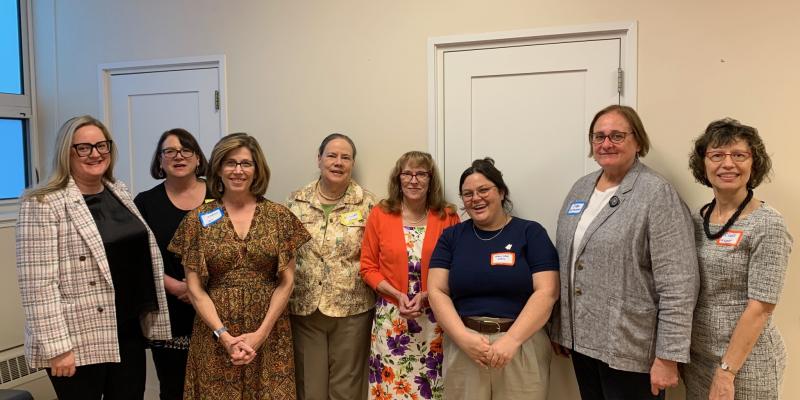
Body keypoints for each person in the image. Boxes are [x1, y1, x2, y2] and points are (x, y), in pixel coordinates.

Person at [16, 115, 171, 399]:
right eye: (83, 148)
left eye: (102, 145)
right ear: (67, 152)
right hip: (76, 338)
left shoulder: (119, 191)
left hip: (126, 329)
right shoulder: (42, 203)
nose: (96, 153)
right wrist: (58, 349)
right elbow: (38, 287)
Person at [549, 105, 699, 399]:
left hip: (632, 347)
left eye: (617, 136)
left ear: (638, 142)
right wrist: (561, 326)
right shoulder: (580, 189)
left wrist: (669, 355)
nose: (606, 144)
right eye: (599, 136)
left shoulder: (656, 193)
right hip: (583, 342)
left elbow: (679, 282)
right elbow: (567, 261)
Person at [168, 132, 310, 399]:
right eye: (230, 163)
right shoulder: (197, 220)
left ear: (257, 170)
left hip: (269, 335)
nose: (238, 170)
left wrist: (260, 334)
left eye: (246, 163)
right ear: (219, 168)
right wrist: (224, 336)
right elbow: (195, 288)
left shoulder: (279, 217)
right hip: (215, 336)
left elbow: (287, 281)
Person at [428, 158, 559, 400]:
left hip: (521, 345)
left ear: (501, 191)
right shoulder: (452, 237)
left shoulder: (531, 233)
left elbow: (547, 292)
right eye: (467, 194)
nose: (475, 198)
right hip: (464, 345)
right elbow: (436, 291)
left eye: (483, 190)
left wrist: (511, 340)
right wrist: (462, 337)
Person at [682, 118, 792, 400]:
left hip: (745, 364)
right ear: (704, 164)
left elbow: (761, 308)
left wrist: (726, 372)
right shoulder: (695, 219)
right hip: (697, 360)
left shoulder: (767, 224)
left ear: (753, 163)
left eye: (739, 155)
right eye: (717, 155)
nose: (727, 164)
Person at [360, 151, 460, 400]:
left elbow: (457, 267)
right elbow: (368, 266)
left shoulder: (447, 216)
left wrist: (427, 295)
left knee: (433, 386)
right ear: (399, 178)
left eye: (421, 174)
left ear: (430, 179)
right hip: (393, 319)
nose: (414, 180)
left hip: (436, 317)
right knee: (392, 388)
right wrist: (396, 294)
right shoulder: (381, 214)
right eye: (408, 173)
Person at [285, 133, 377, 400]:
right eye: (332, 155)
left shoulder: (368, 204)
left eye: (345, 157)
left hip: (352, 310)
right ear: (319, 158)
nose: (338, 162)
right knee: (310, 386)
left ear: (352, 163)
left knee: (346, 388)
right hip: (305, 309)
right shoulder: (295, 202)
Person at [134, 128, 210, 400]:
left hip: (218, 305)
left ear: (198, 158)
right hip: (170, 307)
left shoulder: (220, 193)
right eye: (170, 151)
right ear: (160, 160)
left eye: (186, 149)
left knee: (220, 386)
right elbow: (138, 256)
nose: (179, 156)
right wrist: (177, 287)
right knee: (174, 387)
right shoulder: (145, 203)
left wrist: (201, 288)